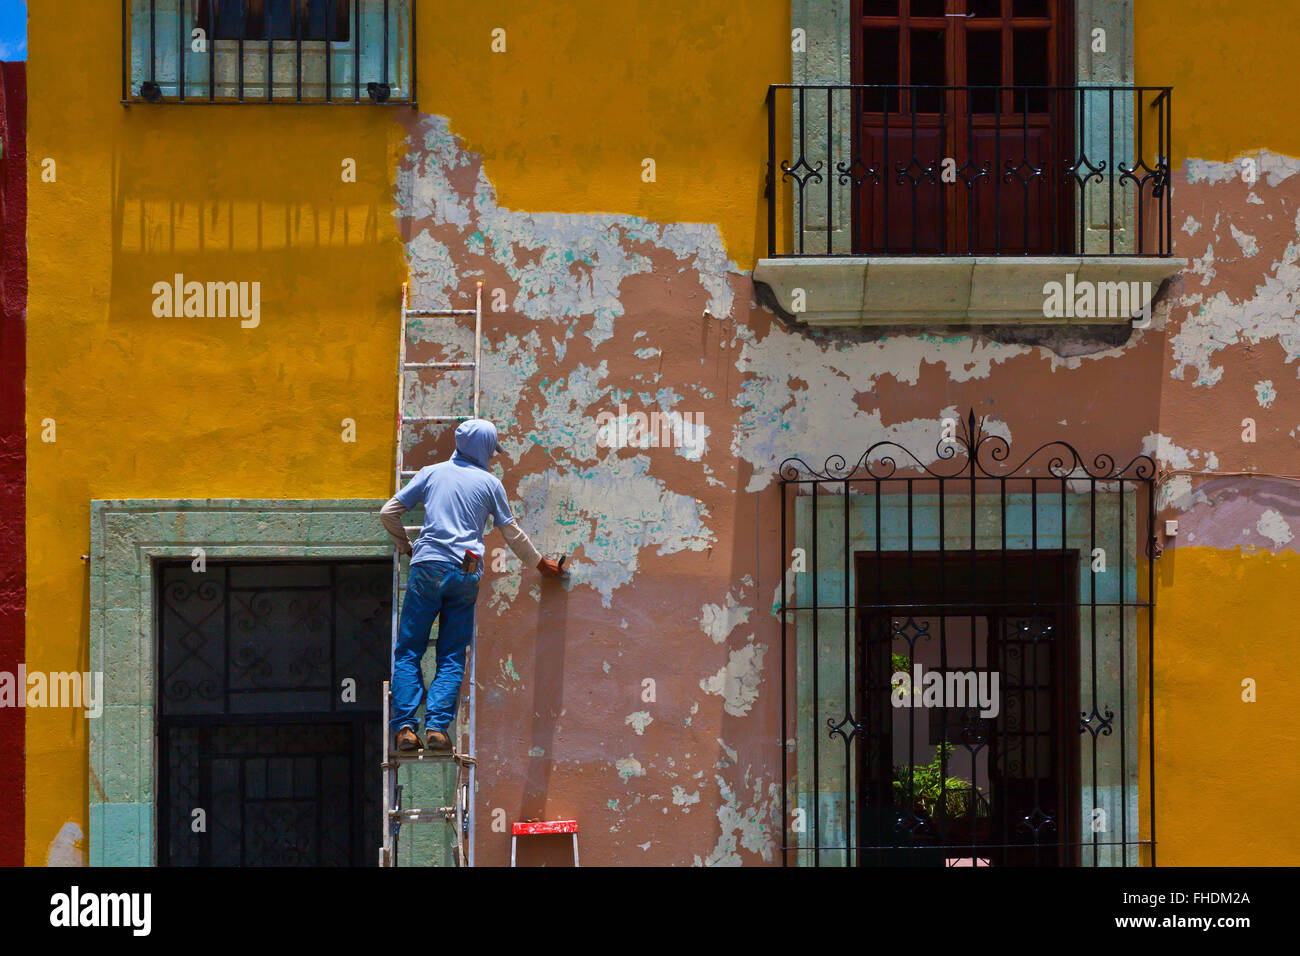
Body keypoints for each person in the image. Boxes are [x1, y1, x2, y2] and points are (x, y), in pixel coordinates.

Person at [380, 418, 565, 753]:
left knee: (409, 649)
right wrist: (540, 564)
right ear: (485, 450)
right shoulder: (490, 483)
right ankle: (437, 728)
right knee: (451, 655)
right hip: (465, 571)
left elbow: (388, 512)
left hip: (427, 566)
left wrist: (407, 548)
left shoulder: (431, 473)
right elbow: (511, 532)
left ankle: (406, 729)